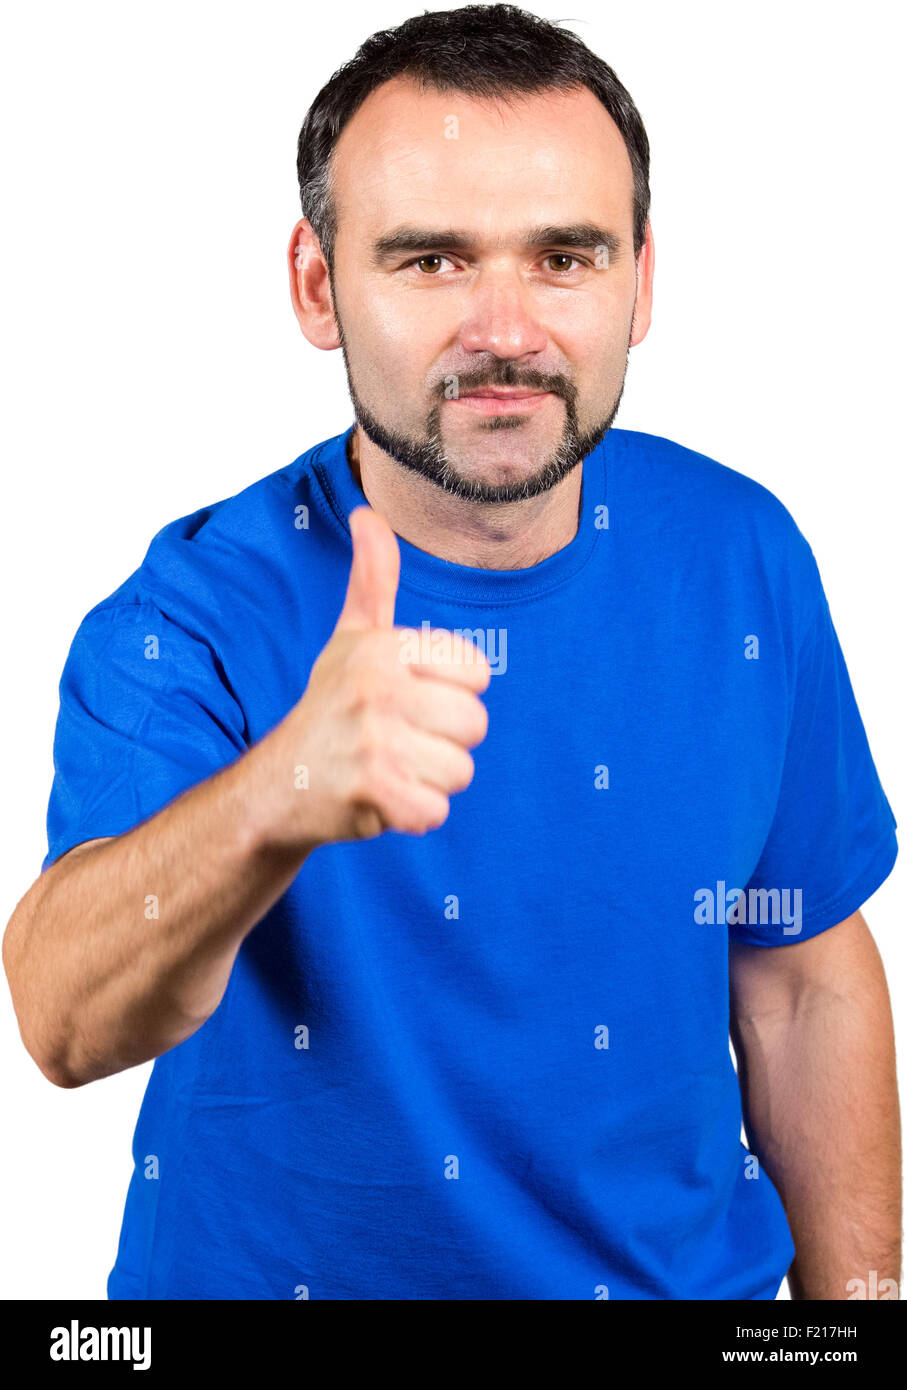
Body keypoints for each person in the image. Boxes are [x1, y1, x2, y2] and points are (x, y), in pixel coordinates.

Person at [3, 4, 900, 1301]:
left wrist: (855, 1314)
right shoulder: (190, 615)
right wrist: (276, 796)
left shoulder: (742, 553)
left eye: (564, 258)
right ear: (318, 286)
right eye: (430, 261)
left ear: (642, 282)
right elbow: (63, 1015)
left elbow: (801, 969)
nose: (505, 330)